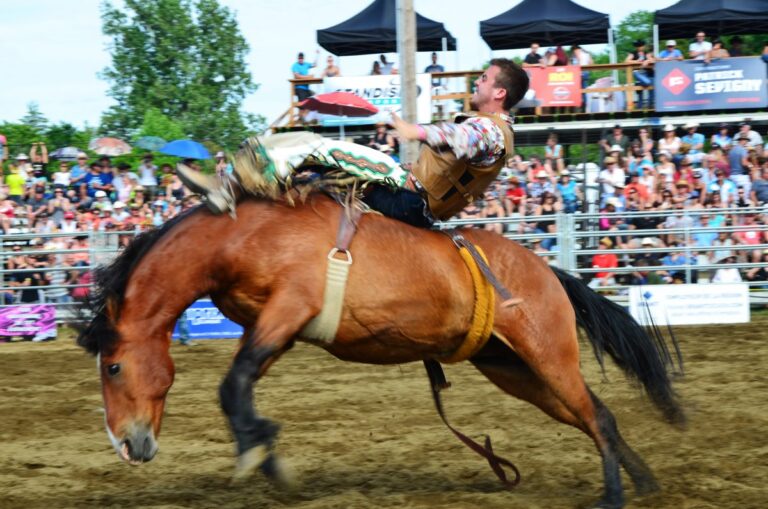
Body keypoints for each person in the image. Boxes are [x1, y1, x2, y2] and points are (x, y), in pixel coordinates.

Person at [179, 58, 529, 229]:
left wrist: (416, 131)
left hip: (408, 197)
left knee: (313, 147)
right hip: (412, 193)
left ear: (499, 92)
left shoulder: (490, 131)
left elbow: (462, 138)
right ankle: (238, 189)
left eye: (484, 79)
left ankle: (229, 188)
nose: (477, 83)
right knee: (312, 157)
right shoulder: (493, 130)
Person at [625, 40, 654, 109]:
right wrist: (636, 61)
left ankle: (649, 107)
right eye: (638, 46)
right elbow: (626, 60)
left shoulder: (646, 53)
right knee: (648, 82)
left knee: (648, 86)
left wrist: (647, 60)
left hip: (646, 73)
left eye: (641, 45)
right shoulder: (633, 53)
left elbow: (653, 60)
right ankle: (640, 108)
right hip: (637, 72)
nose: (640, 47)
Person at [293, 51, 318, 122]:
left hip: (306, 89)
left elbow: (315, 64)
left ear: (303, 58)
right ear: (298, 58)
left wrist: (317, 55)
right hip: (299, 88)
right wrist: (308, 77)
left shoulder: (306, 64)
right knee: (302, 106)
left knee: (315, 98)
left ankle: (303, 117)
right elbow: (297, 76)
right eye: (299, 58)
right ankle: (301, 119)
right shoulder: (295, 65)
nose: (300, 59)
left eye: (301, 58)